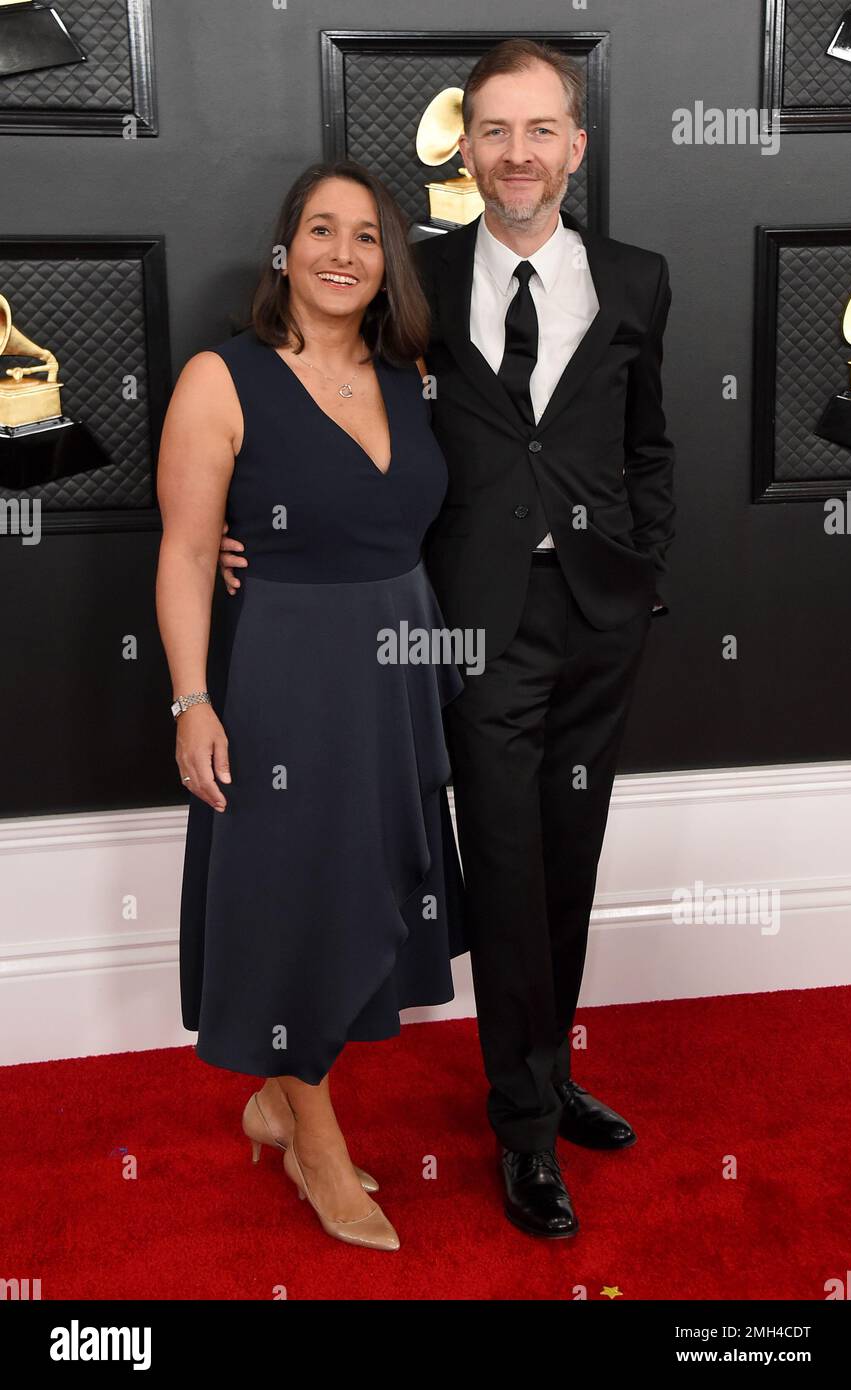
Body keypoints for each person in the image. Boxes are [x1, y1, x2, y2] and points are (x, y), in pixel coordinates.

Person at [220, 39, 675, 1240]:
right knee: (509, 872)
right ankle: (523, 1125)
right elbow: (311, 396)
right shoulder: (407, 278)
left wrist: (643, 577)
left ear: (575, 146)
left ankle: (553, 1071)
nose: (516, 154)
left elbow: (649, 449)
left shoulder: (638, 279)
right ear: (465, 147)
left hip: (600, 618)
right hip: (468, 632)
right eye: (494, 131)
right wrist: (244, 529)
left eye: (540, 131)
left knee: (567, 860)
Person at [156, 159, 467, 1253]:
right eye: (321, 231)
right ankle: (316, 1142)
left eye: (368, 236)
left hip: (397, 675)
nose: (343, 252)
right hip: (282, 676)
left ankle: (277, 1100)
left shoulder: (412, 374)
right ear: (285, 250)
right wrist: (193, 699)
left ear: (391, 264)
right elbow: (191, 550)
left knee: (365, 889)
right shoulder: (220, 379)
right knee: (297, 898)